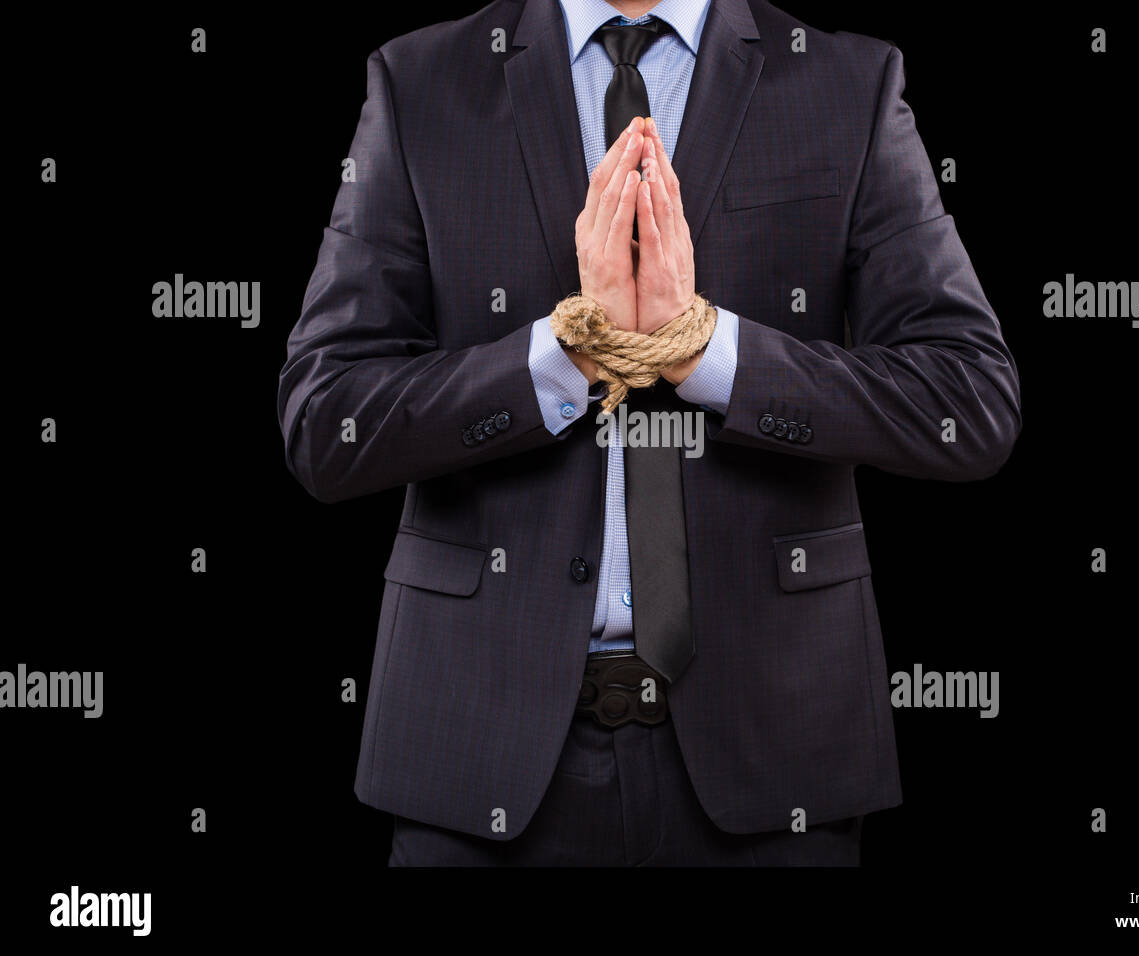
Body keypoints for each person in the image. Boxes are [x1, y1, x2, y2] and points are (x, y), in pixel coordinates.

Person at [277, 0, 1021, 866]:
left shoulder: (847, 82)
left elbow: (971, 401)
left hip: (776, 751)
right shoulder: (419, 81)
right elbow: (325, 422)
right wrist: (565, 354)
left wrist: (703, 348)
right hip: (474, 749)